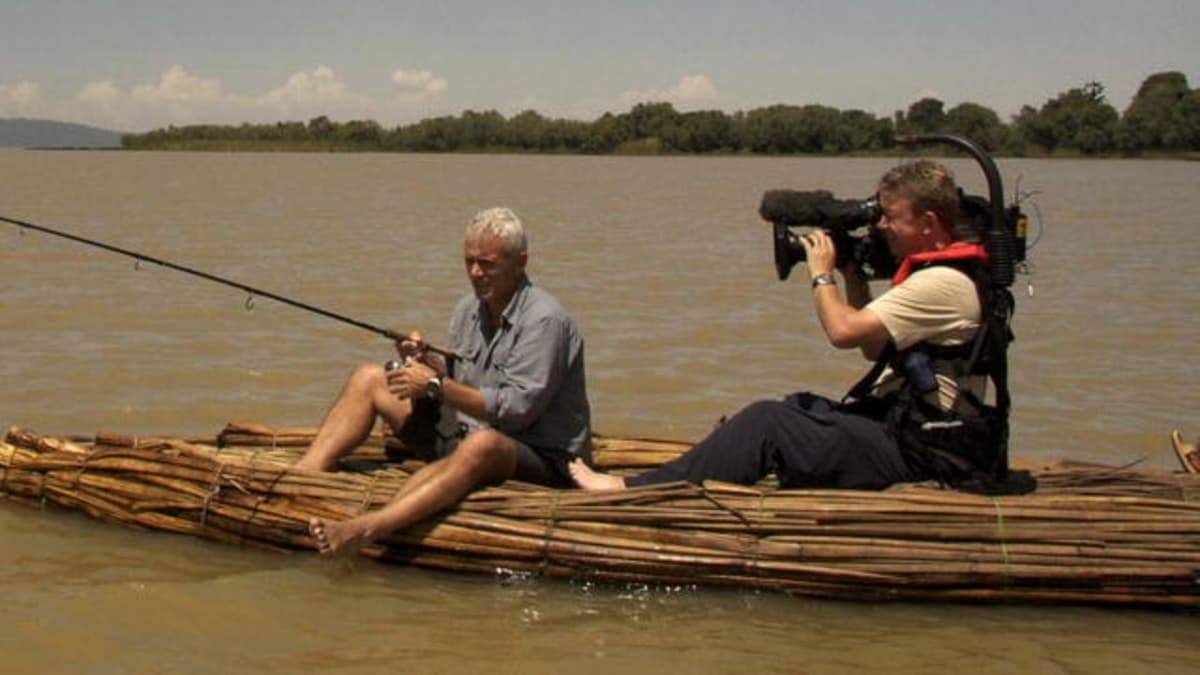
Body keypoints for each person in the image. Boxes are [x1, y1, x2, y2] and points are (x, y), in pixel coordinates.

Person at [572, 159, 1017, 493]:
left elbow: (843, 333)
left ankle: (636, 490)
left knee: (770, 422)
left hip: (924, 455)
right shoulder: (950, 277)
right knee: (802, 407)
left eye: (891, 217)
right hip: (920, 436)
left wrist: (820, 272)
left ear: (928, 223)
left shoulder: (942, 283)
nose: (881, 227)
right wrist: (852, 276)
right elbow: (871, 346)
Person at [301, 207, 592, 555]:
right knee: (369, 378)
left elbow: (517, 411)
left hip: (540, 458)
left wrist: (436, 385)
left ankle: (367, 528)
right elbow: (463, 377)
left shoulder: (546, 322)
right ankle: (302, 480)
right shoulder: (467, 310)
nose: (475, 272)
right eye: (469, 261)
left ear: (520, 262)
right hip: (466, 435)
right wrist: (425, 363)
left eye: (487, 264)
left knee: (485, 443)